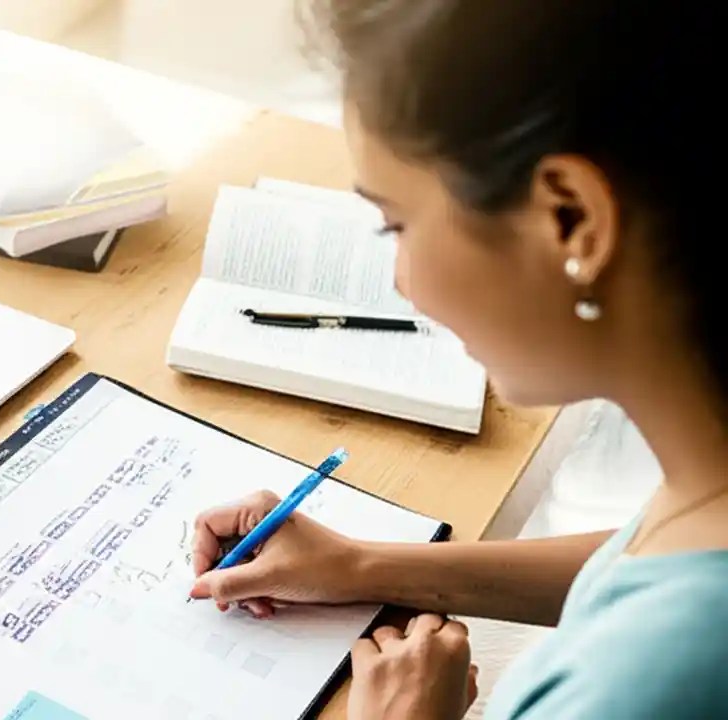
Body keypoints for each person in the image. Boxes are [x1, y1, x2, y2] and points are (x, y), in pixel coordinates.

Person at [188, 3, 726, 718]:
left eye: (398, 223)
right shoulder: (702, 468)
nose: (402, 280)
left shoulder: (637, 685)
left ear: (571, 218)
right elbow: (640, 561)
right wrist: (363, 565)